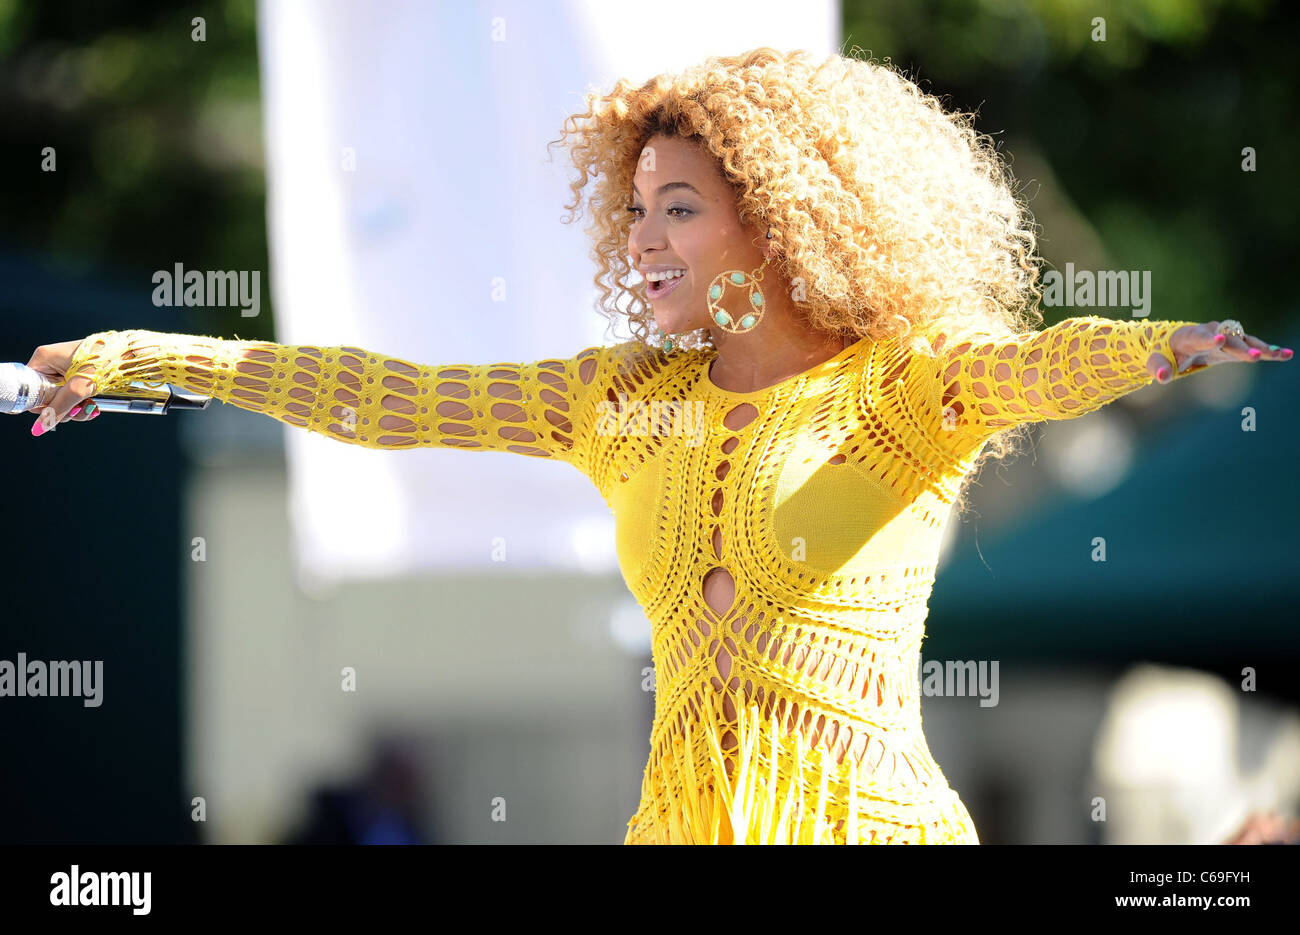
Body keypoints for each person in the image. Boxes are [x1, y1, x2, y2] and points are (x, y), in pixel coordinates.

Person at [22, 48, 1291, 844]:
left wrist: (1161, 346)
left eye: (678, 208)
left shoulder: (909, 384)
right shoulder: (612, 396)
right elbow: (381, 396)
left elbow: (1034, 367)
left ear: (787, 222)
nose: (640, 240)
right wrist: (153, 356)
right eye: (634, 210)